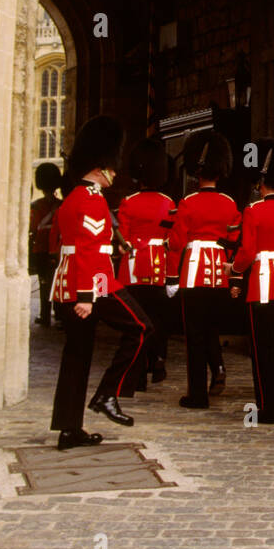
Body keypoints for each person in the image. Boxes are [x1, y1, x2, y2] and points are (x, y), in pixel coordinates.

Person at [50, 116, 152, 449]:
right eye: (111, 168)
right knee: (142, 328)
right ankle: (109, 393)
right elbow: (88, 249)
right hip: (93, 285)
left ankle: (69, 429)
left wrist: (118, 240)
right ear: (100, 167)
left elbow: (74, 240)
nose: (115, 174)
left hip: (67, 284)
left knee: (77, 355)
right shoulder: (92, 200)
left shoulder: (74, 197)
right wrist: (87, 296)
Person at [167, 130, 241, 410]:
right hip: (220, 272)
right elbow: (234, 242)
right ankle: (218, 367)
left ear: (196, 173)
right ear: (220, 171)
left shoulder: (188, 203)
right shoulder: (230, 203)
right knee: (211, 326)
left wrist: (172, 277)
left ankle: (196, 393)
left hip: (194, 271)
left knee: (194, 334)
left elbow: (176, 243)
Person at [232, 138, 274, 423]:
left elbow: (247, 251)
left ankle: (268, 406)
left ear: (262, 182)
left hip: (261, 285)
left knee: (262, 349)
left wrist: (233, 269)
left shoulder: (253, 210)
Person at [116, 138, 176, 390]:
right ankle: (159, 356)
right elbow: (172, 240)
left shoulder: (128, 202)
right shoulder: (169, 203)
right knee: (157, 318)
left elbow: (123, 240)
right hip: (159, 266)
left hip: (133, 267)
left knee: (136, 321)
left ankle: (137, 375)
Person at [28, 163, 62, 327]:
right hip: (58, 248)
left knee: (44, 283)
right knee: (58, 282)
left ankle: (45, 315)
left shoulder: (36, 206)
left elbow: (33, 227)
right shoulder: (61, 205)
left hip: (42, 248)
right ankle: (60, 315)